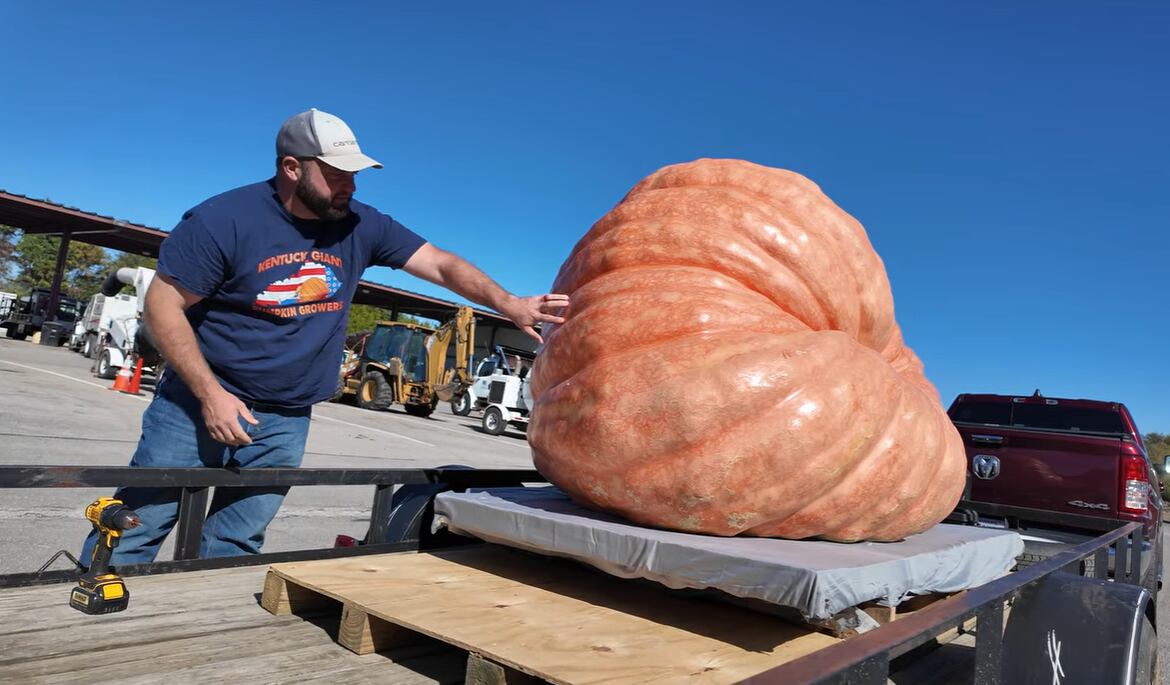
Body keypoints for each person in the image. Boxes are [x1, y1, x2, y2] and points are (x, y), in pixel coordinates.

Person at [80, 108, 568, 566]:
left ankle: (202, 619)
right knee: (139, 523)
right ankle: (89, 606)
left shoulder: (360, 224)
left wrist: (508, 303)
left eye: (354, 175)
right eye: (336, 174)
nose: (349, 186)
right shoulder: (223, 220)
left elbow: (439, 263)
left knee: (236, 541)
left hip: (285, 416)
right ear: (292, 168)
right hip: (194, 405)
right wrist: (210, 395)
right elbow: (162, 307)